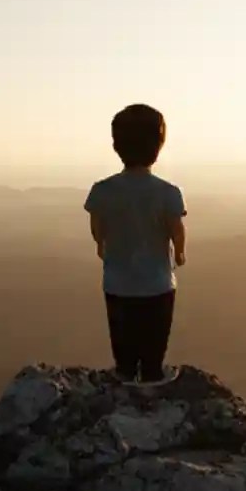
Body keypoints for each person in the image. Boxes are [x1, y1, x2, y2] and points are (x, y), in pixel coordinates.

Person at [84, 104, 187, 383]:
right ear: (159, 146)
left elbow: (97, 227)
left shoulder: (102, 190)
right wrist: (179, 253)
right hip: (158, 282)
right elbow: (176, 229)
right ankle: (153, 374)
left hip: (117, 281)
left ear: (116, 145)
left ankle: (125, 372)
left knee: (122, 333)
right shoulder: (168, 192)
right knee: (155, 333)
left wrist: (101, 245)